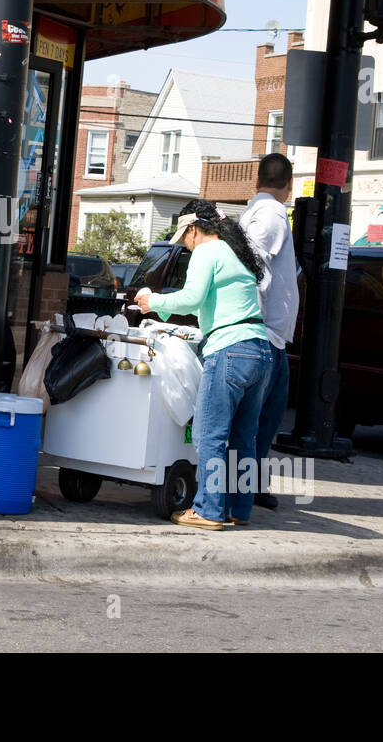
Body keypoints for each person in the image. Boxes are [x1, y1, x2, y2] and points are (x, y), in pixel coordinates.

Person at [135, 199, 273, 530]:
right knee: (244, 437)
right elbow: (207, 305)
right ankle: (239, 508)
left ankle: (208, 509)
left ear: (194, 230)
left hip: (229, 350)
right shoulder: (234, 253)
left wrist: (153, 300)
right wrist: (162, 312)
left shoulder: (206, 252)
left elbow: (192, 297)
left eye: (184, 238)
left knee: (208, 433)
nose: (183, 245)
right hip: (260, 350)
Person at [239, 153, 299, 510]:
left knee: (260, 420)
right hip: (265, 336)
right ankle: (247, 489)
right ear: (289, 185)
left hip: (268, 333)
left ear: (257, 180)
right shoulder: (273, 214)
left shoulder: (252, 213)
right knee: (259, 421)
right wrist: (254, 325)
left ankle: (250, 485)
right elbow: (255, 269)